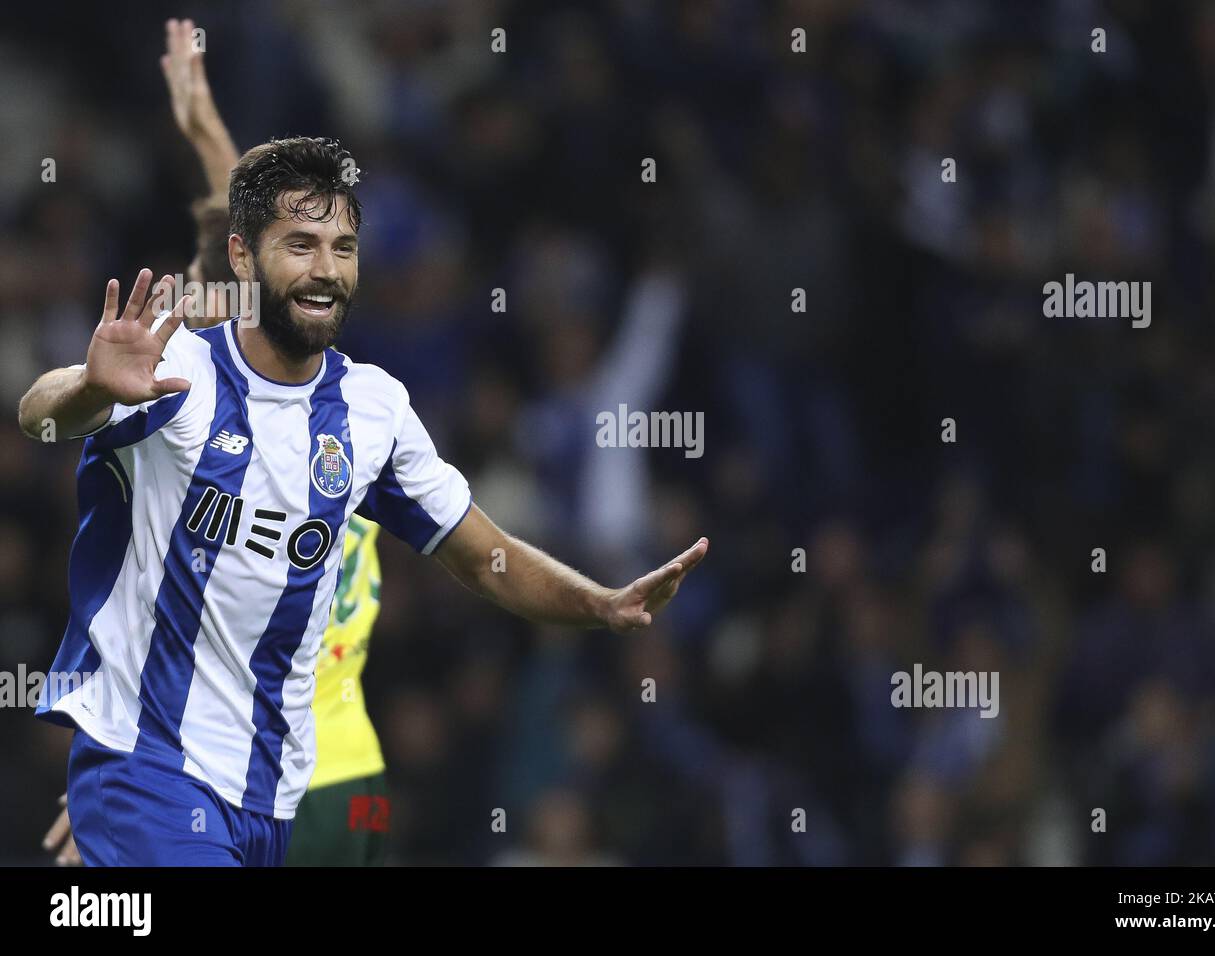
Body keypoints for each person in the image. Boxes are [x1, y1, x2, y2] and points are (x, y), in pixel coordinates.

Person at [20, 128, 708, 865]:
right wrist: (90, 385)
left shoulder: (372, 411)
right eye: (301, 245)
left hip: (271, 797)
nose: (326, 270)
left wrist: (599, 604)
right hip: (146, 765)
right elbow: (39, 411)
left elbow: (487, 559)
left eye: (342, 247)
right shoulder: (182, 371)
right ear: (244, 255)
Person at [41, 18, 398, 867]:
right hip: (353, 784)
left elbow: (244, 241)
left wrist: (130, 781)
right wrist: (206, 131)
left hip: (244, 772)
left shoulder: (230, 390)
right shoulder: (358, 416)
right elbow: (246, 232)